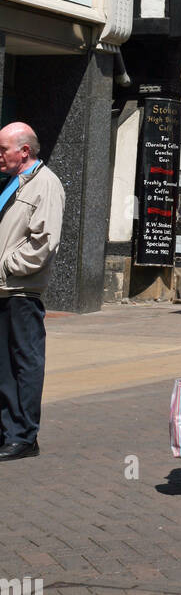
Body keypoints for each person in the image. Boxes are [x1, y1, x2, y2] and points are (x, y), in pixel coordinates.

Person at [0, 122, 65, 460]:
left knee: (23, 363)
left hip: (21, 292)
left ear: (24, 151)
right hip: (5, 290)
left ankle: (24, 437)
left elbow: (44, 245)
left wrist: (4, 266)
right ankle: (9, 431)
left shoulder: (46, 185)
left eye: (3, 150)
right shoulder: (14, 182)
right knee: (4, 367)